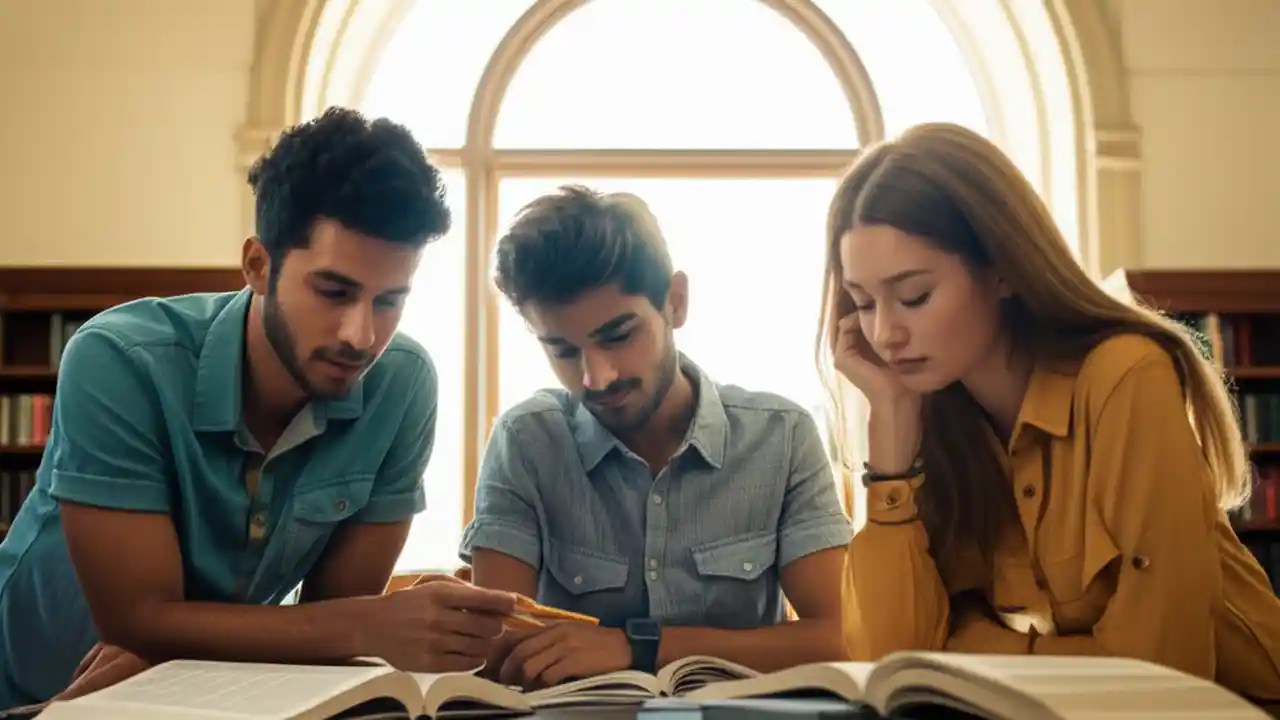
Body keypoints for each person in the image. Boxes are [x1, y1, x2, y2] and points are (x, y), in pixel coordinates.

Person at [0, 107, 516, 709]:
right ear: (258, 266)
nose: (360, 335)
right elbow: (137, 619)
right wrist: (371, 626)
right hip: (31, 696)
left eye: (390, 300)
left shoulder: (402, 384)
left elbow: (326, 618)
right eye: (334, 291)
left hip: (217, 700)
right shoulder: (119, 358)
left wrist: (175, 640)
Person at [823, 122, 1280, 699]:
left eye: (914, 296)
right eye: (863, 303)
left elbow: (1161, 672)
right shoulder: (935, 426)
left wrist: (982, 649)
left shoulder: (1124, 378)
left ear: (1004, 268)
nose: (884, 333)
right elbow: (893, 667)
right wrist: (889, 436)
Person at [460, 185, 853, 689]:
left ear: (675, 302)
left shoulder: (783, 437)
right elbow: (497, 650)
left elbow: (840, 639)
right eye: (562, 350)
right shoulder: (525, 441)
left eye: (619, 336)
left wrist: (638, 647)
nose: (596, 377)